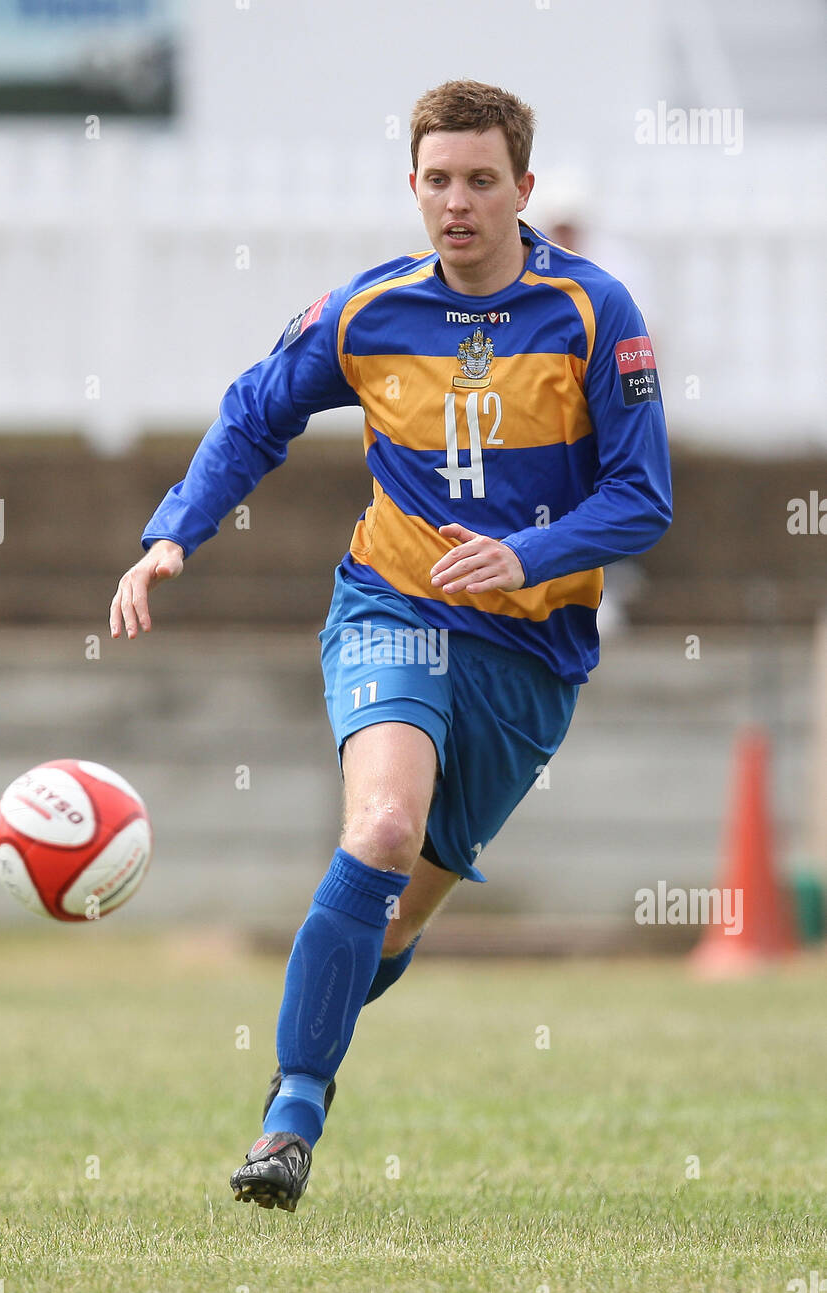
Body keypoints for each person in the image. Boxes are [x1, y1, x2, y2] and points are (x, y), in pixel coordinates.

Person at [109, 79, 672, 1213]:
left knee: (397, 915)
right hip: (393, 608)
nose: (456, 203)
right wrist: (174, 532)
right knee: (379, 824)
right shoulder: (368, 312)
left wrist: (526, 553)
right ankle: (291, 1119)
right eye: (436, 180)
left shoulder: (593, 314)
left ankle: (305, 1036)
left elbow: (643, 497)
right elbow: (256, 410)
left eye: (478, 180)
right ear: (410, 186)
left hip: (528, 657)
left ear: (522, 185)